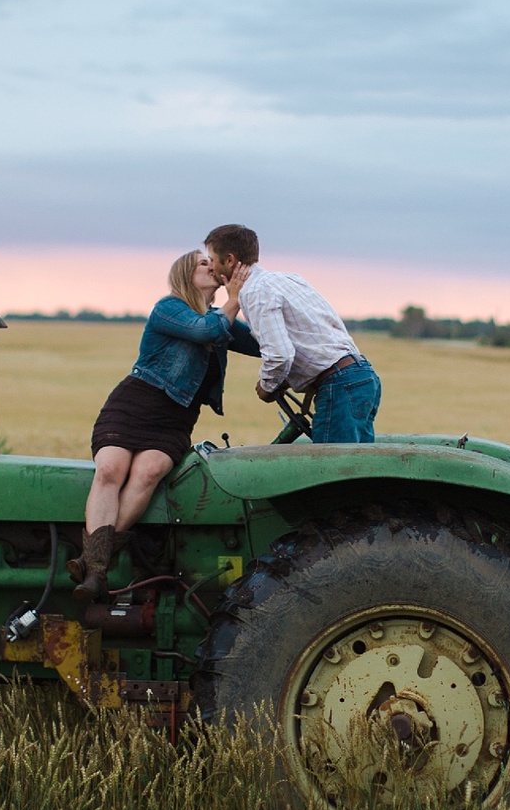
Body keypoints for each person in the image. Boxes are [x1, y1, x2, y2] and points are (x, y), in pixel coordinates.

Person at [72, 250, 259, 602]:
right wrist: (233, 299)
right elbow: (206, 330)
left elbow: (261, 342)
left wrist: (250, 295)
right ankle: (97, 570)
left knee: (148, 472)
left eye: (213, 262)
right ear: (186, 274)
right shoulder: (169, 308)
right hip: (134, 405)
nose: (211, 266)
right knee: (111, 469)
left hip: (174, 419)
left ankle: (91, 562)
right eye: (203, 263)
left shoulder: (224, 319)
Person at [203, 223, 381, 444]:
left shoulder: (254, 292)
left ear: (229, 260)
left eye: (212, 259)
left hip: (339, 385)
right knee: (358, 471)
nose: (211, 267)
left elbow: (280, 354)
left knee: (331, 472)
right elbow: (322, 335)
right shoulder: (288, 279)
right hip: (361, 376)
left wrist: (268, 386)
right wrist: (287, 380)